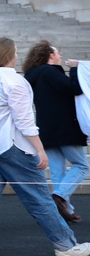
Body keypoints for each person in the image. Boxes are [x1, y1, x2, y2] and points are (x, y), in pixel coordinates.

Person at [0, 37, 90, 256]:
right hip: (11, 146)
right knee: (39, 198)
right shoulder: (14, 81)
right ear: (10, 55)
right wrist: (39, 149)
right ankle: (65, 246)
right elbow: (25, 121)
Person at [21, 40, 86, 224]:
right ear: (50, 55)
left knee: (58, 172)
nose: (61, 56)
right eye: (58, 53)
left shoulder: (32, 75)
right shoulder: (49, 71)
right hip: (64, 127)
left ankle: (64, 211)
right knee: (82, 166)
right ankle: (59, 196)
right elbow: (74, 88)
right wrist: (74, 69)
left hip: (45, 129)